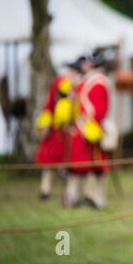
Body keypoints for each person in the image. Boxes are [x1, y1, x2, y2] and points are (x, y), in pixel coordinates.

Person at [64, 54, 111, 209]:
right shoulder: (85, 81)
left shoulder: (98, 82)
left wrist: (89, 124)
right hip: (80, 129)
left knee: (94, 167)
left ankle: (94, 198)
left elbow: (99, 110)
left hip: (90, 130)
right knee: (77, 167)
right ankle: (74, 197)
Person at [35, 59, 83, 200]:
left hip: (71, 129)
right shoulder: (58, 83)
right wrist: (45, 123)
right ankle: (45, 190)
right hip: (57, 129)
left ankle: (69, 192)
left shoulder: (79, 85)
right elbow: (49, 104)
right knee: (49, 161)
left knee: (69, 163)